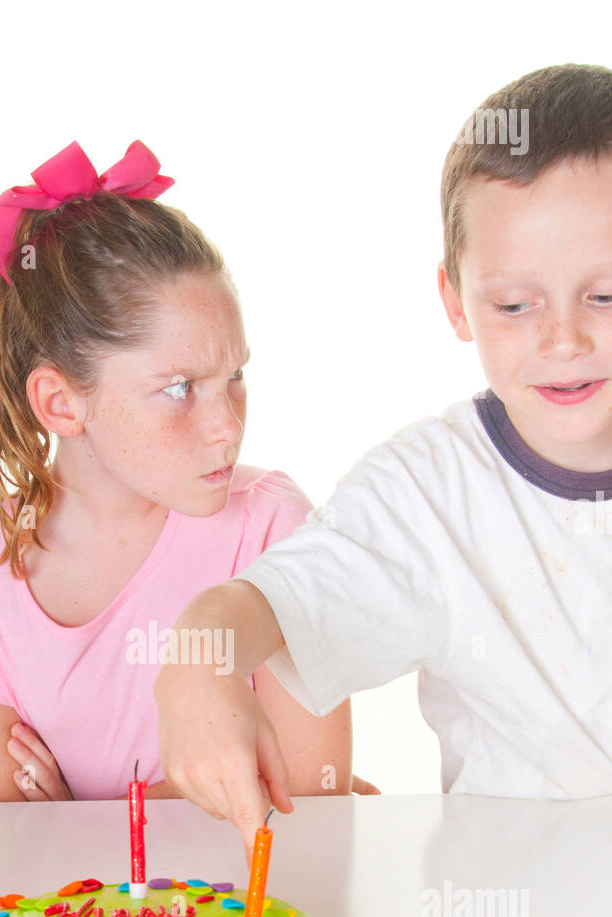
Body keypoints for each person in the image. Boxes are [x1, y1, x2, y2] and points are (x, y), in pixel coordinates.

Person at [155, 64, 612, 855]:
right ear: (453, 301)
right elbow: (255, 609)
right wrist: (196, 670)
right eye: (514, 305)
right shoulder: (426, 496)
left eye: (605, 295)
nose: (563, 340)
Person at [0, 141, 368, 803]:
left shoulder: (272, 525)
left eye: (233, 376)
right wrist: (211, 788)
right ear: (61, 402)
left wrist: (77, 818)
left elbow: (306, 791)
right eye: (180, 387)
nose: (226, 425)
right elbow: (4, 840)